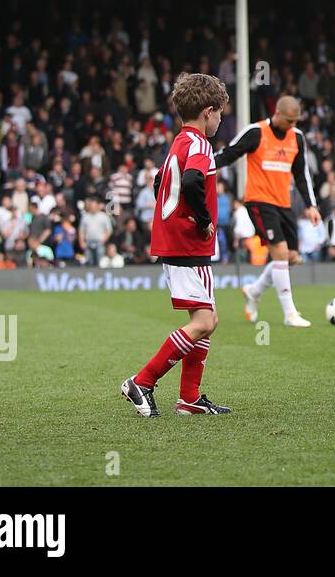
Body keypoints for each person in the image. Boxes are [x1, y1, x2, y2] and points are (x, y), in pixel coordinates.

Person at [120, 73, 232, 418]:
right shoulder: (199, 144)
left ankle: (189, 398)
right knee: (203, 321)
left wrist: (174, 216)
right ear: (209, 112)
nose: (220, 120)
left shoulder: (179, 142)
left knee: (208, 318)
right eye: (221, 113)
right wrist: (201, 218)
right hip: (188, 242)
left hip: (183, 242)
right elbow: (192, 180)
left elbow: (160, 183)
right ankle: (142, 381)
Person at [215, 95, 321, 328]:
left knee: (292, 257)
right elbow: (229, 154)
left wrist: (311, 206)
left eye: (296, 121)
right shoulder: (256, 132)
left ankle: (254, 291)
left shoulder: (297, 138)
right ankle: (290, 313)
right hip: (259, 201)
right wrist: (203, 165)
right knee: (281, 253)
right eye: (290, 121)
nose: (293, 125)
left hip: (284, 203)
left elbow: (302, 175)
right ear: (278, 114)